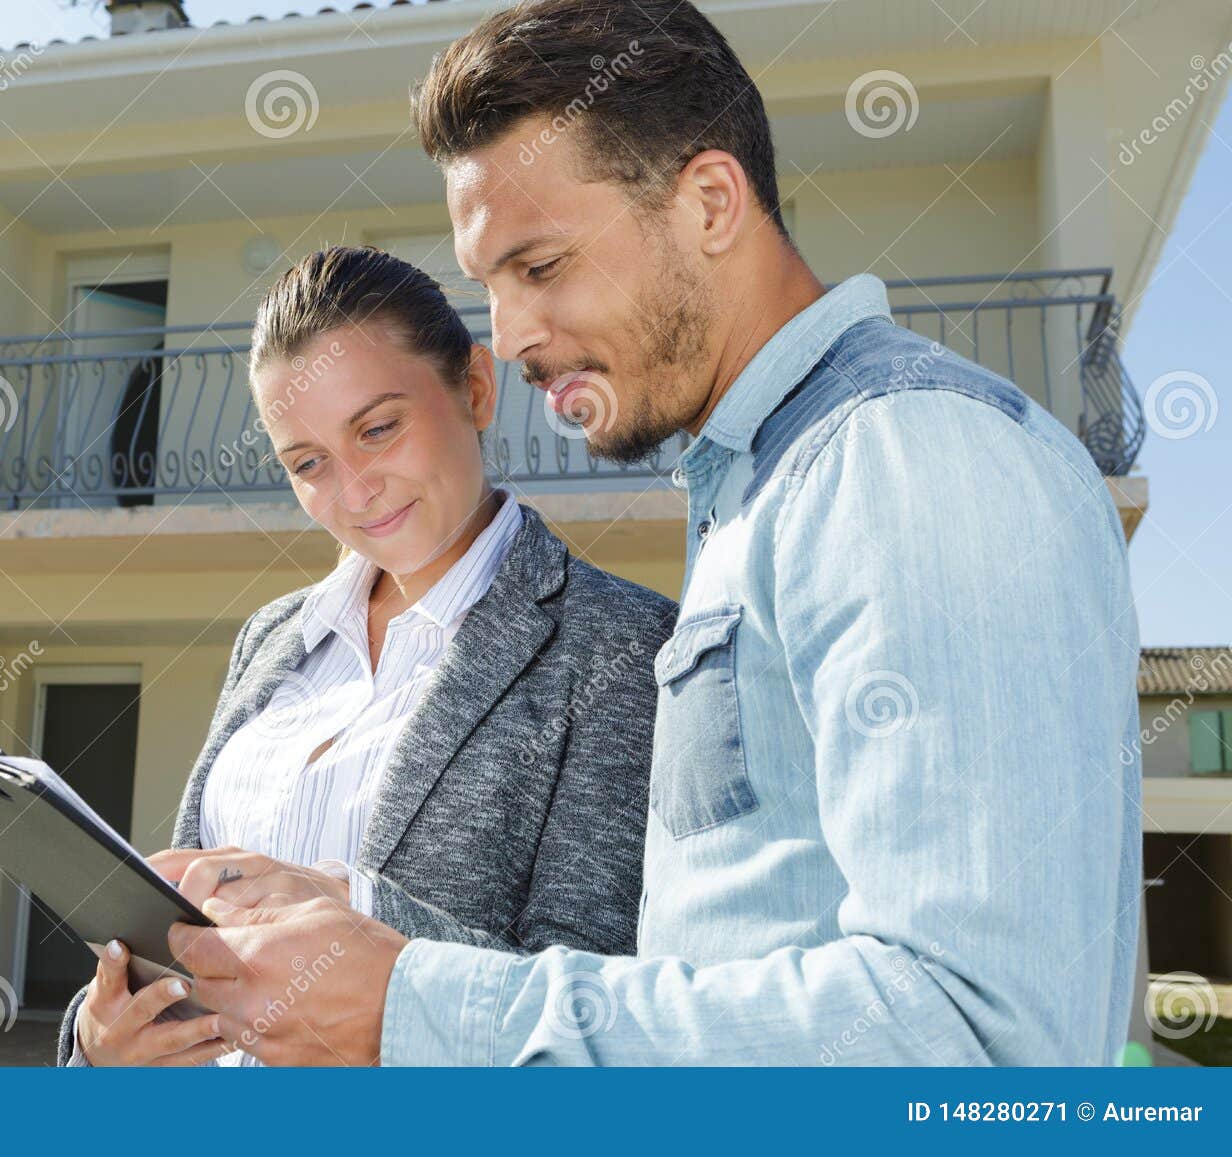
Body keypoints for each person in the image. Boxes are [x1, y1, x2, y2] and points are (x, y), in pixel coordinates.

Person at [164, 0, 1142, 1067]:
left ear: (710, 202)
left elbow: (980, 1035)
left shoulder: (903, 457)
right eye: (490, 287)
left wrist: (410, 1002)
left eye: (540, 267)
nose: (511, 337)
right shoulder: (755, 496)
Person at [57, 244, 677, 1066]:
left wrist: (356, 908)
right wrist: (101, 1040)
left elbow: (603, 1006)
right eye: (308, 463)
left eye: (378, 429)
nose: (354, 490)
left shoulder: (622, 643)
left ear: (476, 388)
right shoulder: (272, 638)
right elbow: (176, 939)